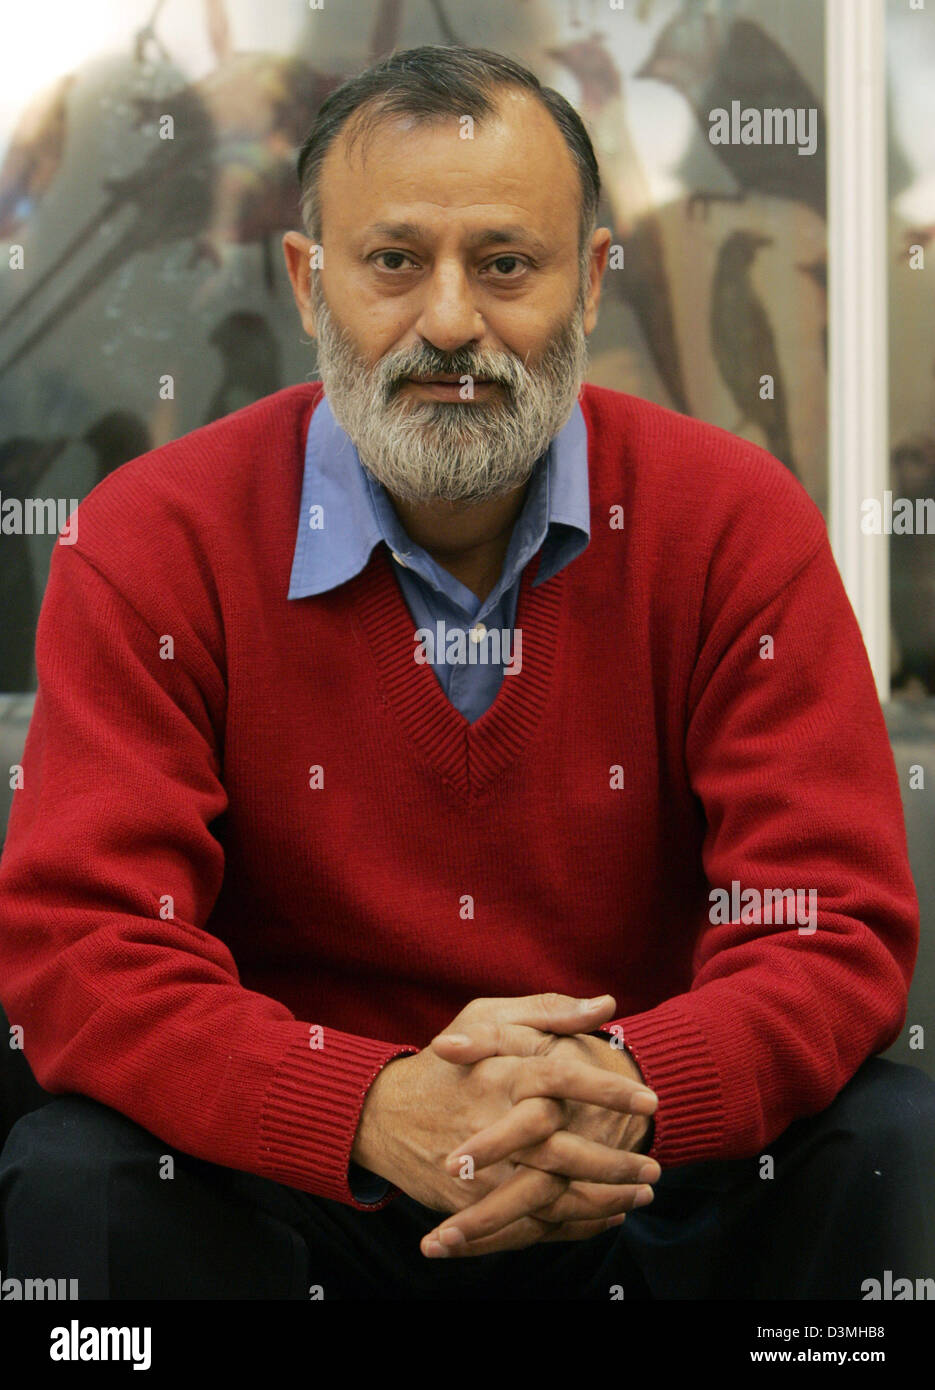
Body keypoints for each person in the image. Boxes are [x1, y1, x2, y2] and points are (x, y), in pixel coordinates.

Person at [0, 44, 932, 1301]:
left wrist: (616, 1091)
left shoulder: (731, 524)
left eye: (505, 264)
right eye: (393, 263)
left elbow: (823, 918)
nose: (448, 321)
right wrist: (368, 1103)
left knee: (890, 1146)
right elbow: (88, 946)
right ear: (307, 280)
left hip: (639, 1179)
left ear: (593, 281)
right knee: (82, 1179)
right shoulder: (153, 537)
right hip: (303, 1194)